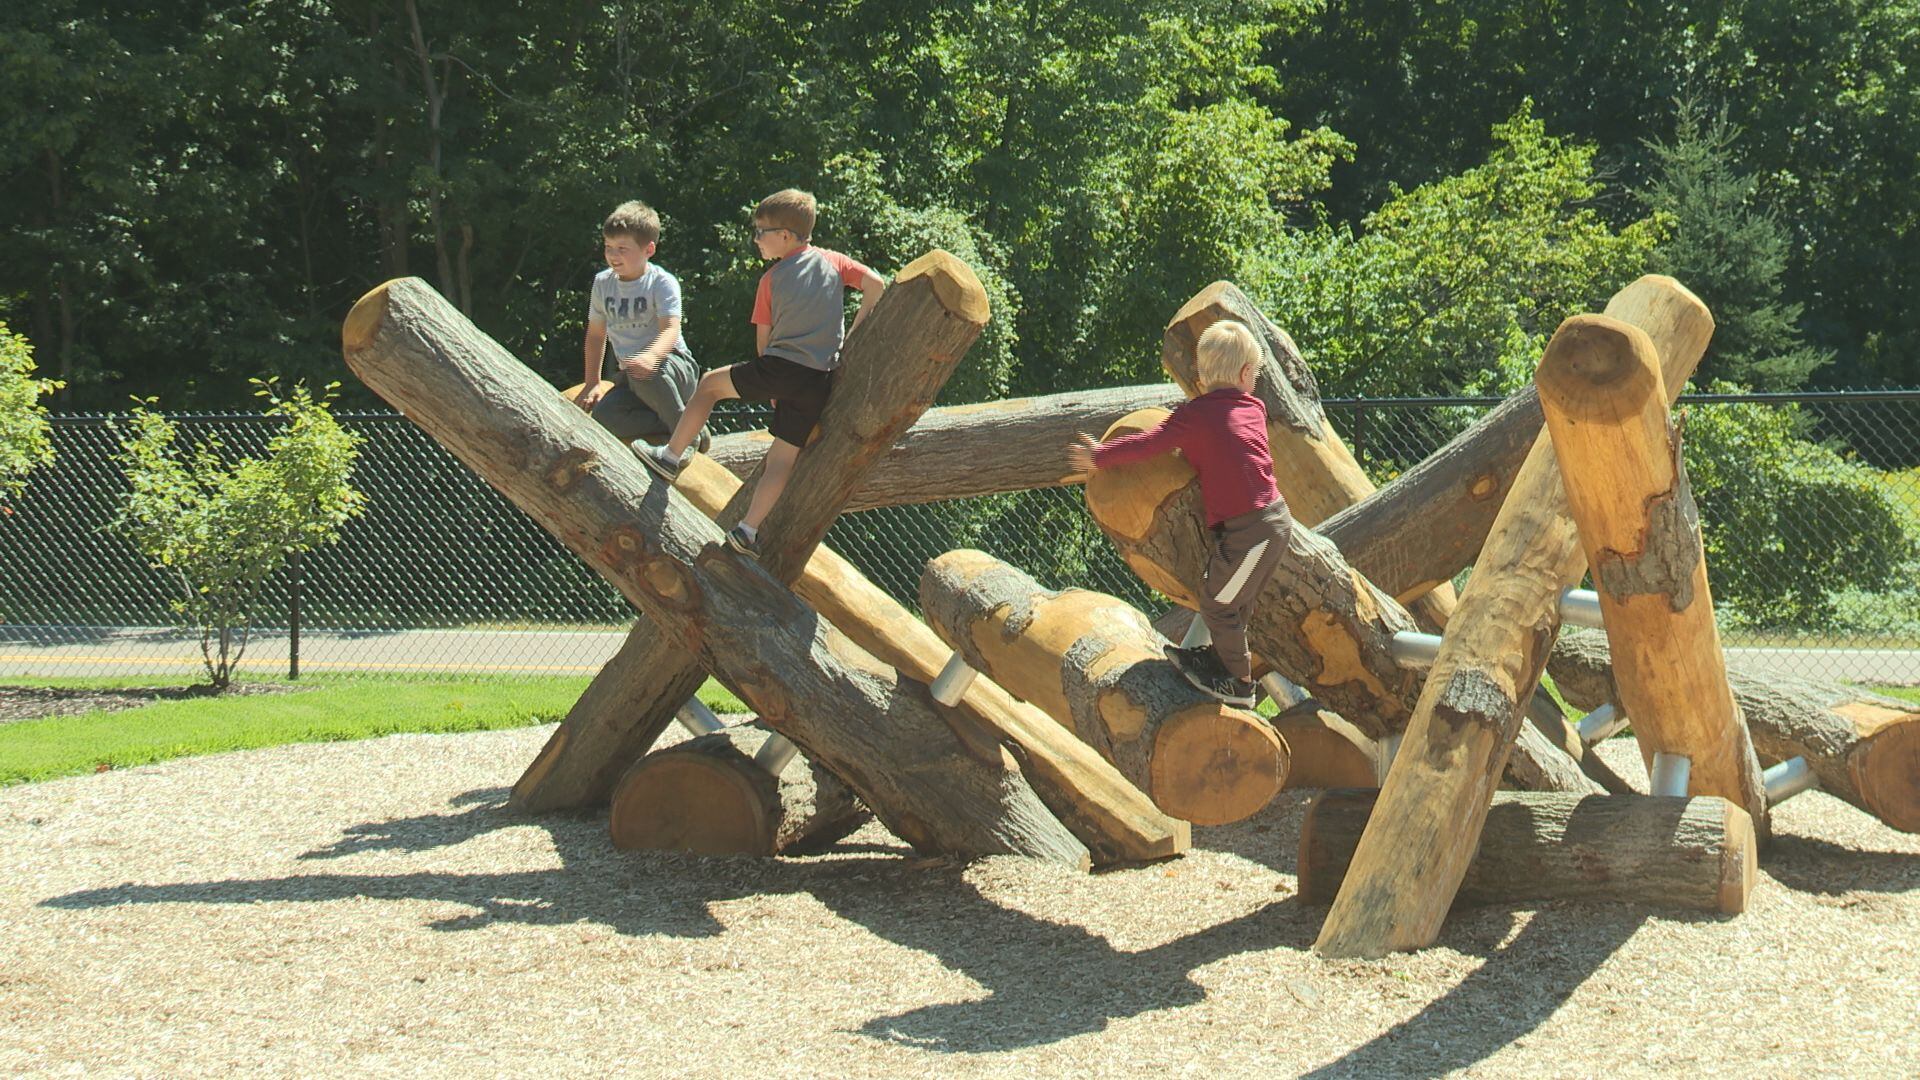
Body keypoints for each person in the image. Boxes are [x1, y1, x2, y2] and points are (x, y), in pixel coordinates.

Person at [633, 188, 886, 559]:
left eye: (760, 232)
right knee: (782, 459)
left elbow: (764, 341)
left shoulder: (772, 279)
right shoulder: (833, 261)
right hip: (818, 379)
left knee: (707, 386)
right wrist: (853, 336)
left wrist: (769, 385)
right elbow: (876, 285)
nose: (756, 240)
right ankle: (748, 531)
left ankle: (670, 458)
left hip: (780, 367)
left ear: (784, 236)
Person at [1067, 320, 1293, 707]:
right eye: (1254, 374)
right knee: (1229, 601)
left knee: (1220, 604)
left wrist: (1099, 457)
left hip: (1255, 529)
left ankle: (1240, 686)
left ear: (1203, 376)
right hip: (1261, 524)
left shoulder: (1196, 416)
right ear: (1243, 374)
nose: (1254, 382)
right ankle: (1223, 665)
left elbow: (1150, 443)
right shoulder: (1251, 408)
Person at [575, 200, 708, 451]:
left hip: (672, 367)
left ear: (649, 249)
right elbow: (595, 335)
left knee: (642, 371)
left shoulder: (661, 282)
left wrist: (651, 356)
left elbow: (671, 329)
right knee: (605, 418)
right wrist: (592, 381)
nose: (613, 255)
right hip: (634, 375)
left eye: (622, 248)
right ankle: (689, 424)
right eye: (608, 247)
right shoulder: (603, 283)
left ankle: (686, 439)